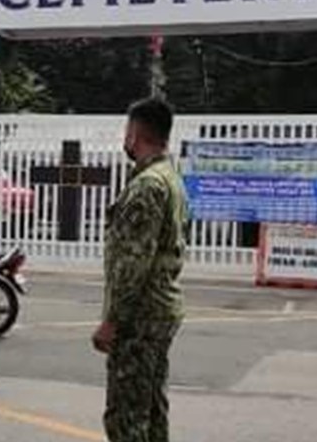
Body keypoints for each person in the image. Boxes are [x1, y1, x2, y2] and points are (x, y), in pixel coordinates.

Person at [91, 97, 187, 442]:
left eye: (127, 131)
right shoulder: (170, 178)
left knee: (126, 417)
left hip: (139, 317)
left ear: (135, 133)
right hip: (161, 311)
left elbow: (133, 263)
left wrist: (112, 321)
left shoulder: (147, 186)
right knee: (151, 406)